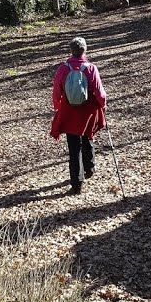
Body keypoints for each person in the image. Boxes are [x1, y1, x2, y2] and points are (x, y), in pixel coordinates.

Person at [50, 36, 108, 195]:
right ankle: (89, 168)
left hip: (69, 112)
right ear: (85, 50)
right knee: (88, 136)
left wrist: (57, 107)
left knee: (74, 147)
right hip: (87, 112)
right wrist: (103, 105)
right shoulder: (91, 68)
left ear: (71, 51)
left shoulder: (63, 68)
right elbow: (99, 92)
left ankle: (77, 184)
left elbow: (56, 91)